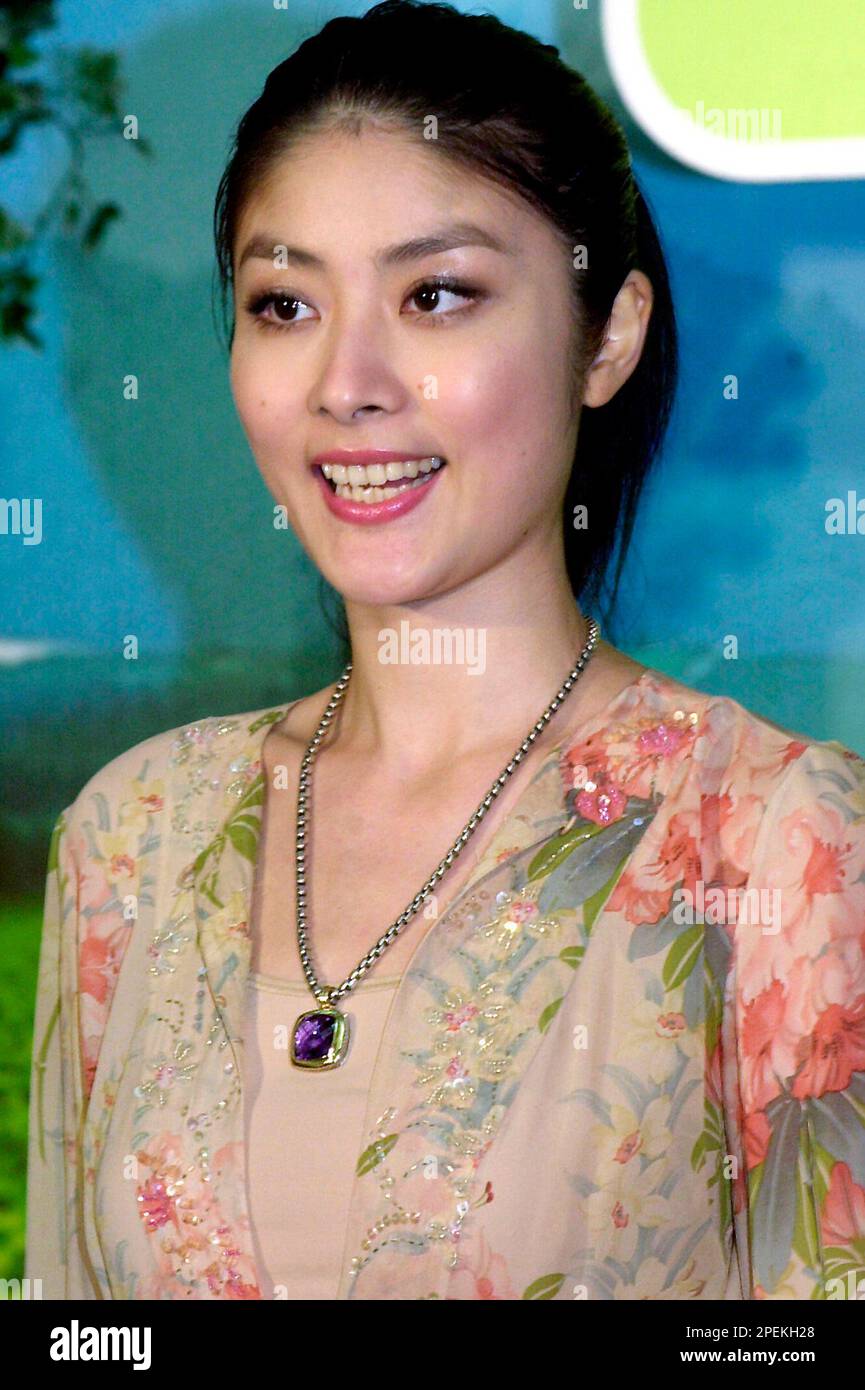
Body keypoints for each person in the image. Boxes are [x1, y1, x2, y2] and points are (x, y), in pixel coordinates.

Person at [26, 0, 865, 1301]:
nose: (346, 380)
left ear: (609, 333)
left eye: (435, 294)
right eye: (285, 302)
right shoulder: (131, 835)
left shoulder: (769, 840)